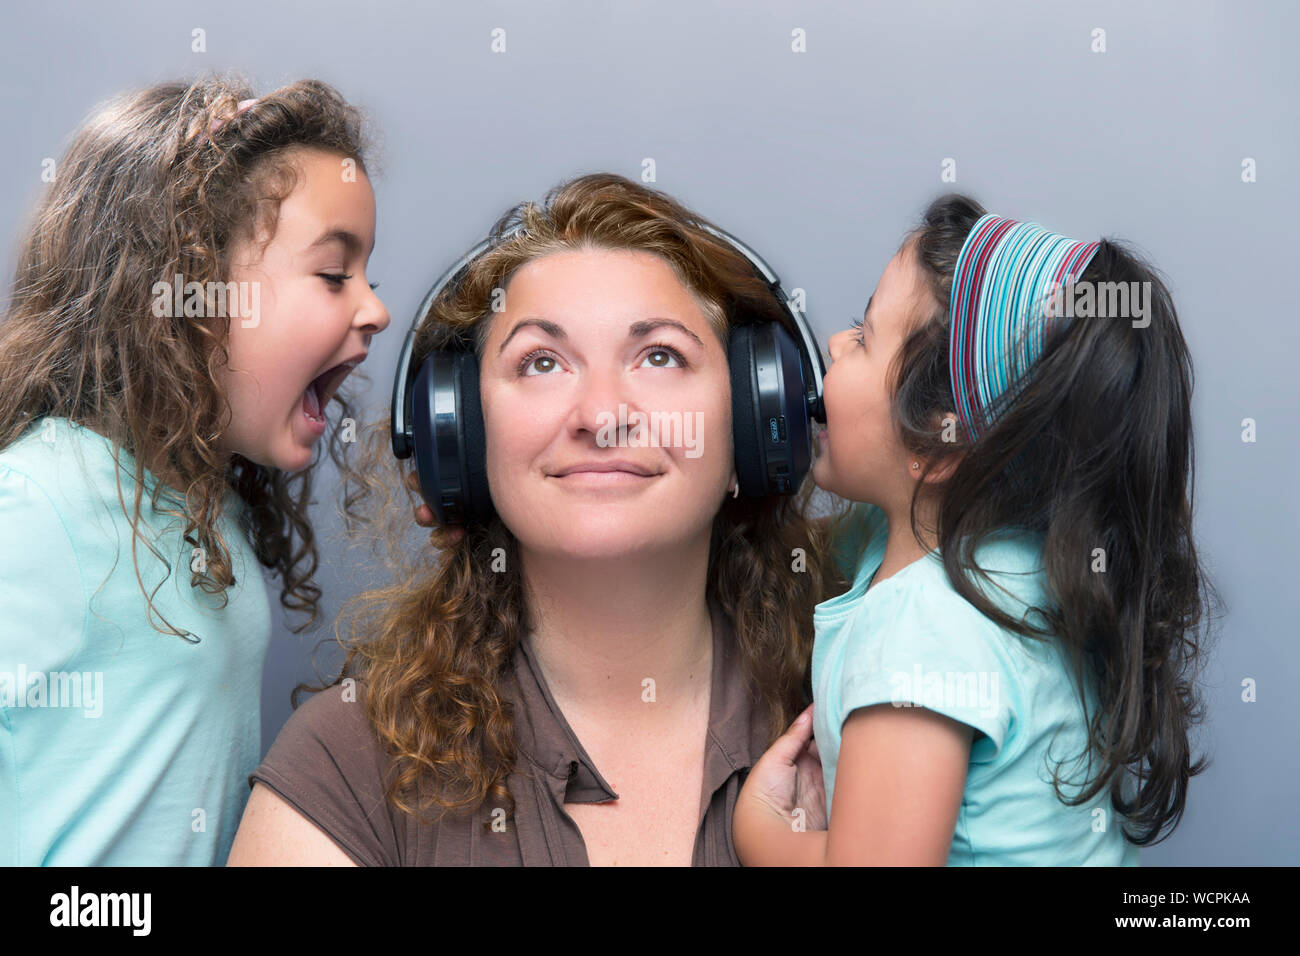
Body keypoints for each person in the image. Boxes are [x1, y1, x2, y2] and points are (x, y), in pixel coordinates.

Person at [227, 173, 840, 866]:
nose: (601, 417)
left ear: (758, 430)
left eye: (660, 356)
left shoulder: (876, 721)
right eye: (542, 362)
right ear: (458, 438)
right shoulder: (347, 764)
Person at [733, 195, 1220, 864]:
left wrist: (762, 836)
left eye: (864, 335)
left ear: (937, 447)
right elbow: (813, 547)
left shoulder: (919, 632)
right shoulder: (1027, 566)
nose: (834, 346)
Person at [0, 74, 390, 865]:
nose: (376, 309)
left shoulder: (205, 505)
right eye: (333, 273)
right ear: (186, 290)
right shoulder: (40, 506)